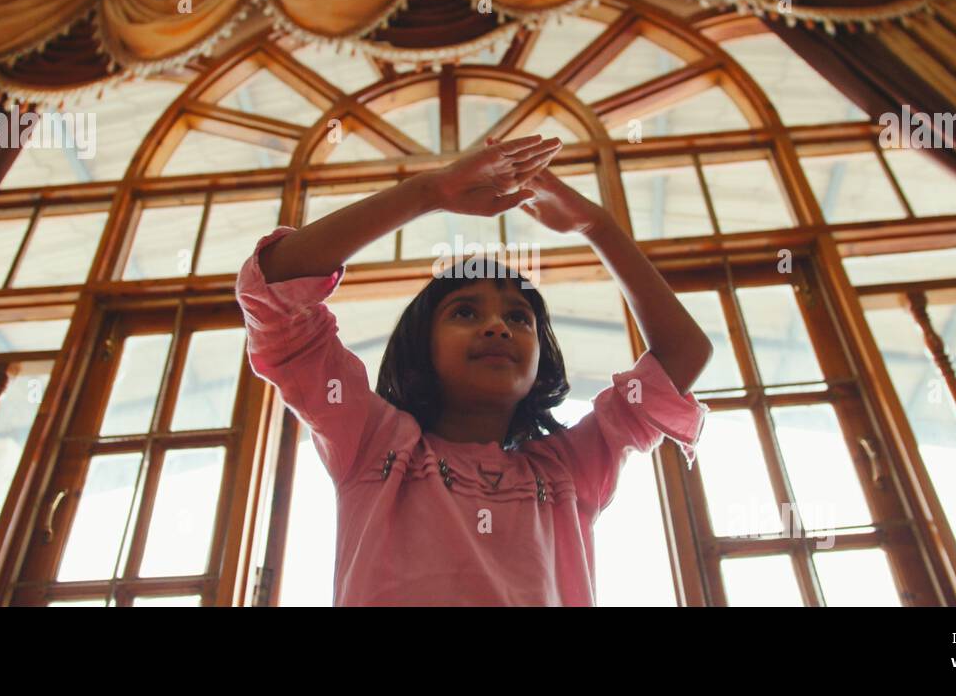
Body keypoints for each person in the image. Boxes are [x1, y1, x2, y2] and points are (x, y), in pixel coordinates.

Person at [235, 134, 712, 605]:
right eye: (465, 312)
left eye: (518, 318)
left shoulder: (568, 471)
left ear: (542, 358)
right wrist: (429, 193)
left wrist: (596, 225)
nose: (497, 327)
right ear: (421, 346)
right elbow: (272, 286)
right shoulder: (371, 441)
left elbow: (684, 355)